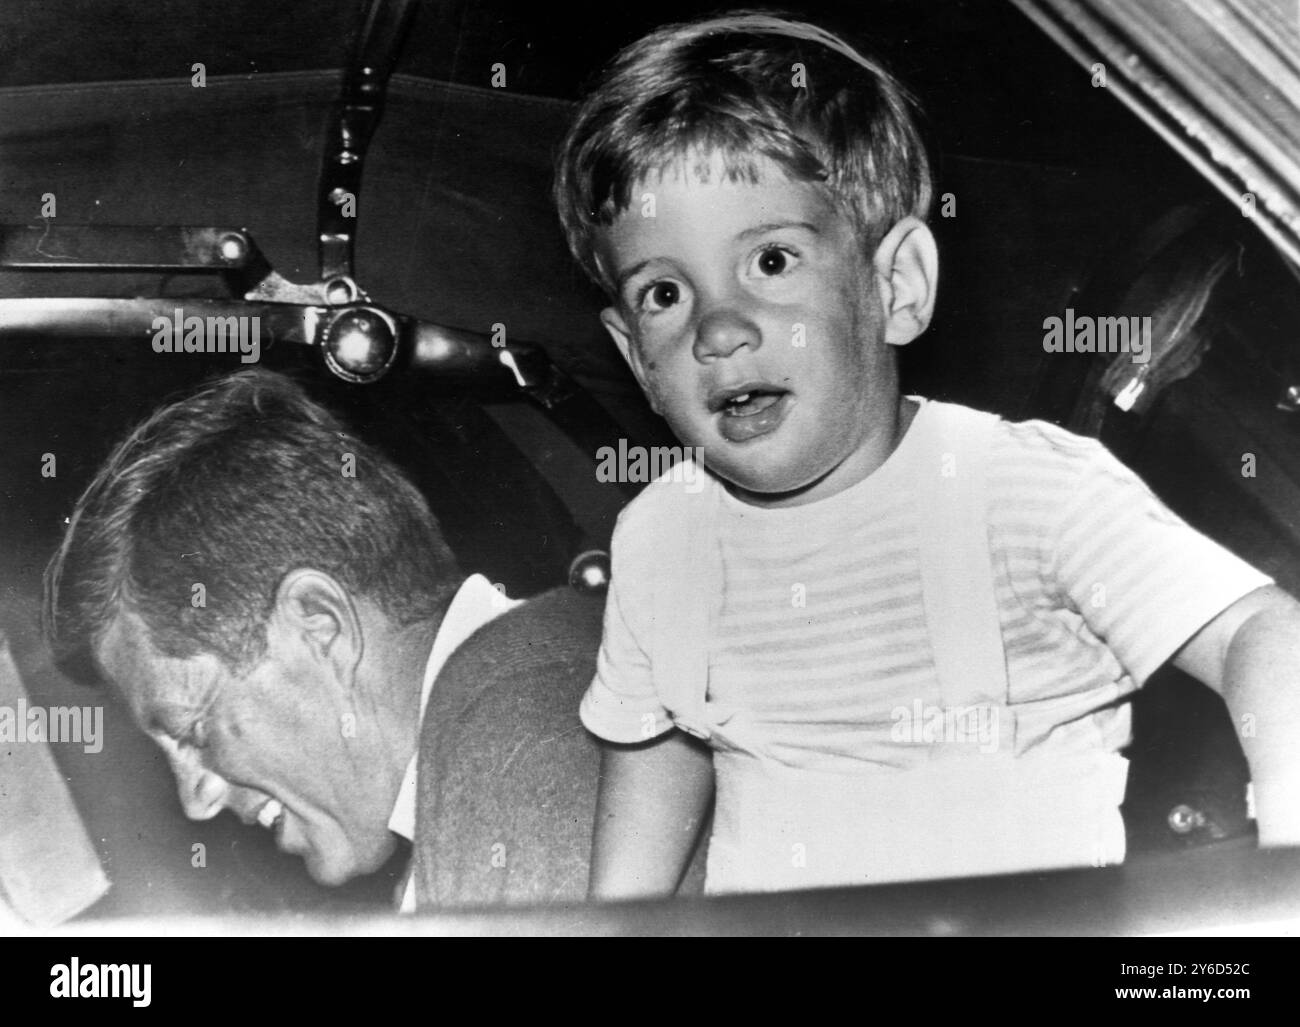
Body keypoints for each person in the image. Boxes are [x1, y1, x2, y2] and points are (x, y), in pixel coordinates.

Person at [554, 11, 1300, 897]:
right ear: (635, 355)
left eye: (772, 261)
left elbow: (1262, 633)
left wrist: (1286, 863)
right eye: (664, 293)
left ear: (896, 285)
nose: (717, 329)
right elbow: (659, 746)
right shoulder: (659, 538)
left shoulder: (1025, 493)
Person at [40, 368, 649, 911]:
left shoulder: (526, 771)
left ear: (320, 625)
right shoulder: (538, 717)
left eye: (193, 731)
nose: (196, 799)